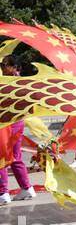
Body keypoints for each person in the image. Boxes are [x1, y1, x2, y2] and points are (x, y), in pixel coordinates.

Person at [0, 55, 36, 203]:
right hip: (17, 123)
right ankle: (27, 188)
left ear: (13, 67)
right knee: (15, 157)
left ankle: (2, 193)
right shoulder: (23, 82)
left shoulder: (10, 82)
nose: (2, 67)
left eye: (4, 65)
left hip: (6, 125)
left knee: (2, 157)